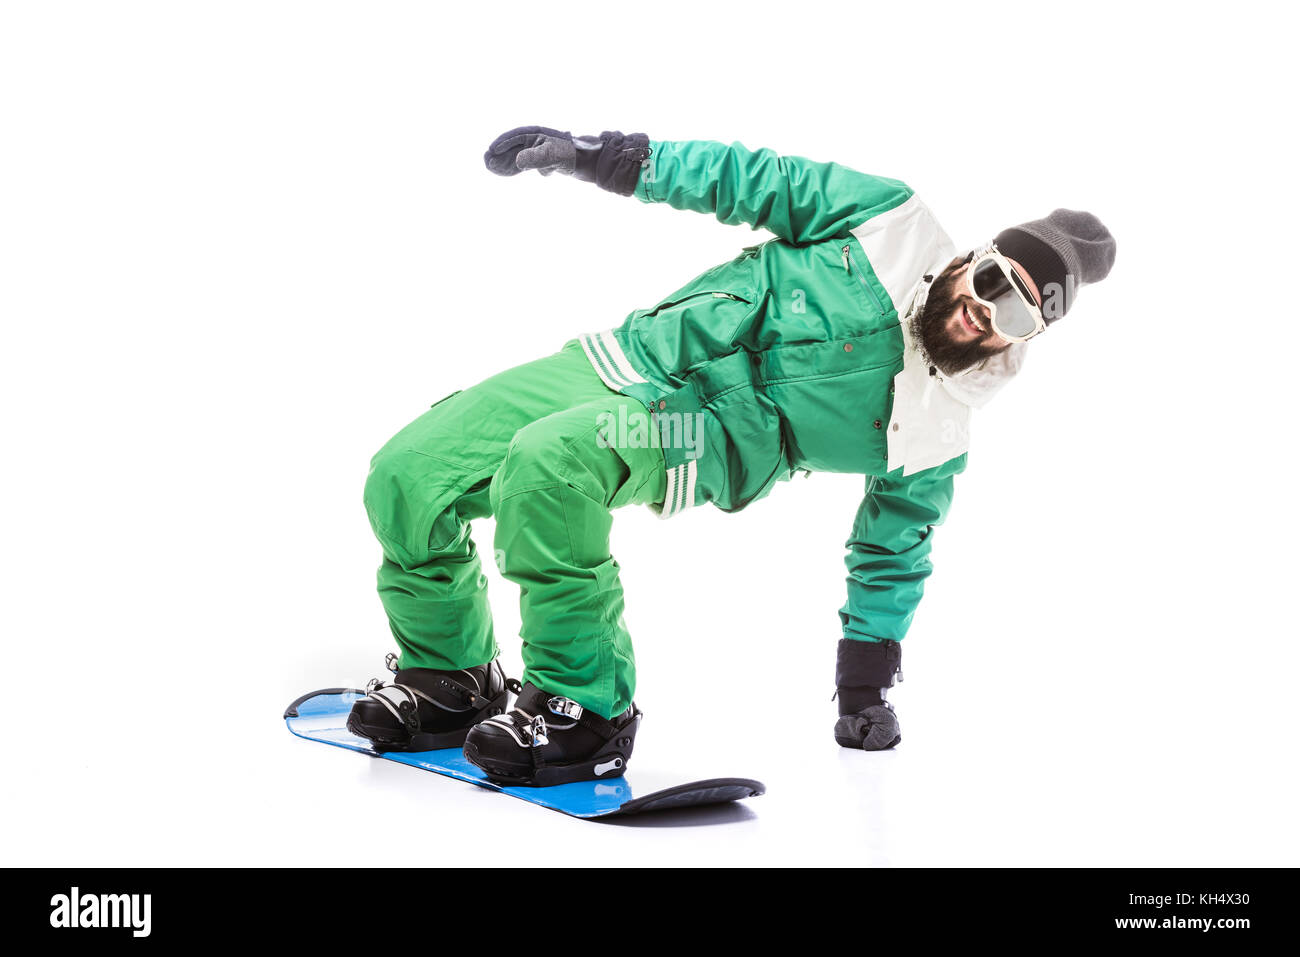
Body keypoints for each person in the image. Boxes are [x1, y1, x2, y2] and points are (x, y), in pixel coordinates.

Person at [345, 126, 1117, 785]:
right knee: (410, 473)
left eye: (1016, 314)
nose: (987, 308)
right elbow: (747, 181)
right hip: (628, 353)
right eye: (993, 279)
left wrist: (865, 687)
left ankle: (584, 711)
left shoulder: (939, 424)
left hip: (699, 431)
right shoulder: (891, 219)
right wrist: (600, 156)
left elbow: (893, 551)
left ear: (1027, 338)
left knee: (553, 463)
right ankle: (448, 676)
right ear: (976, 255)